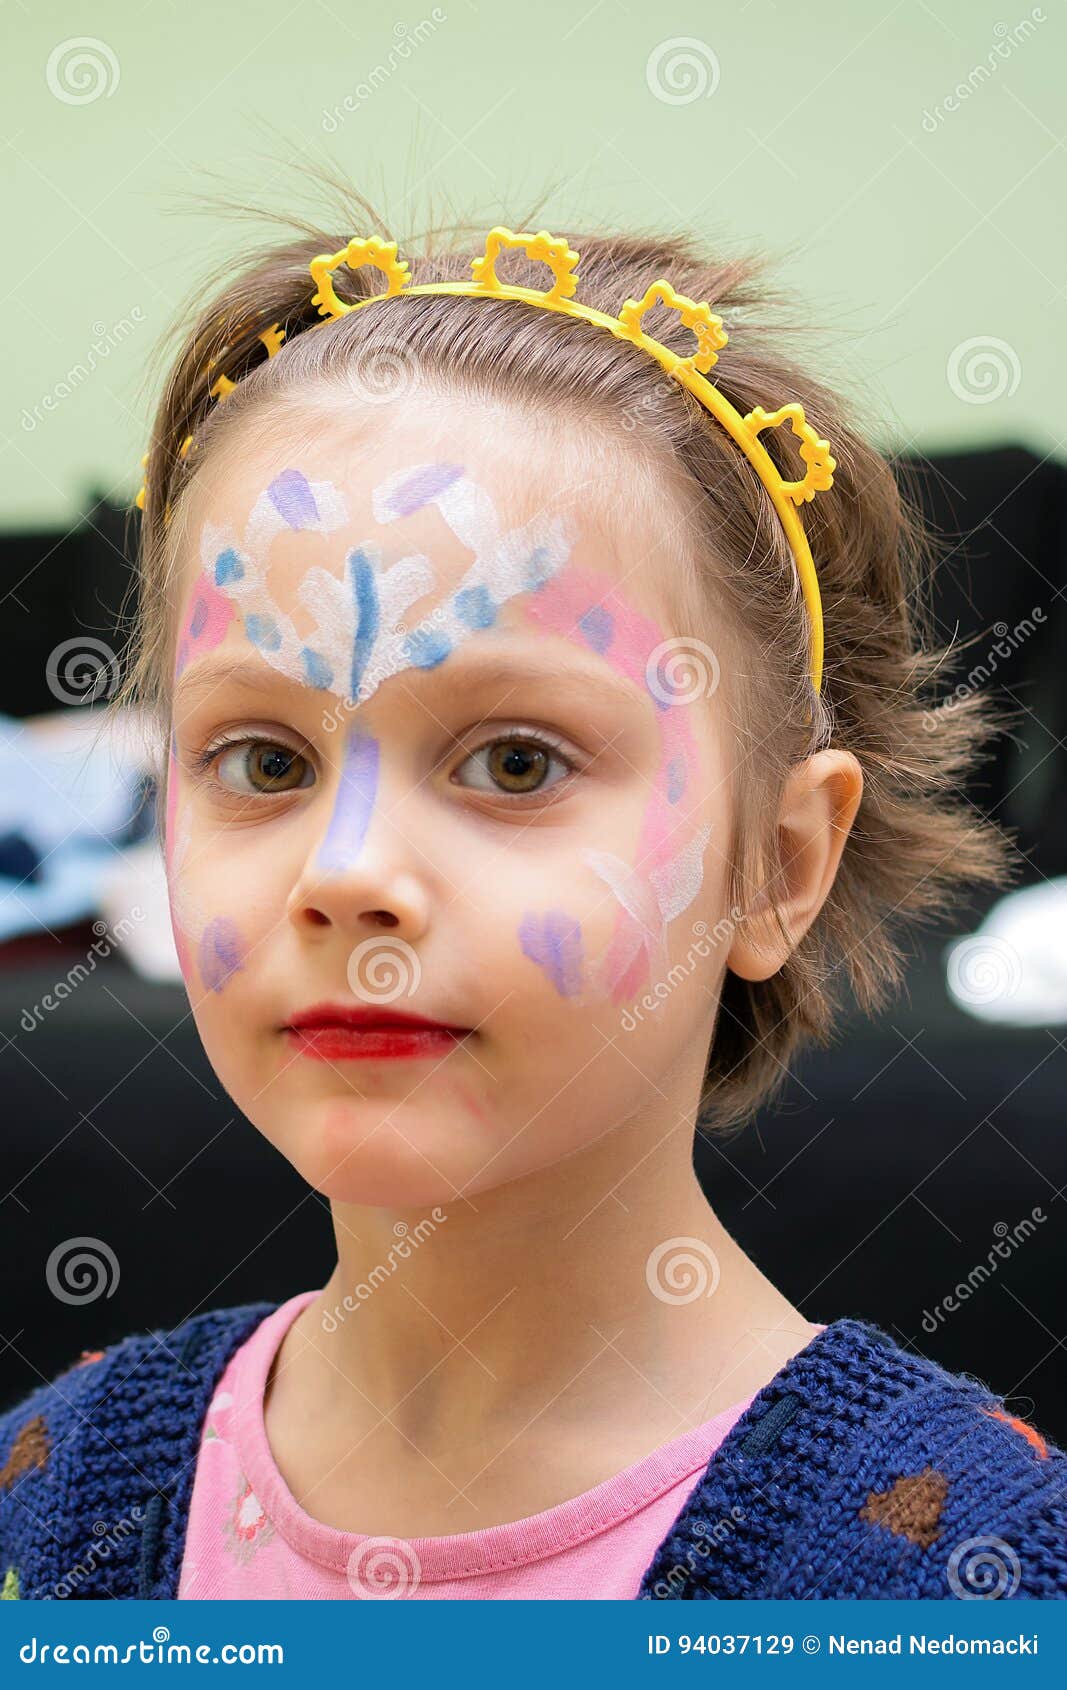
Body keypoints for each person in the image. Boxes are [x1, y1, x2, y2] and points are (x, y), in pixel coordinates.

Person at [2, 202, 1063, 1602]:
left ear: (782, 862)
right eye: (265, 760)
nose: (346, 872)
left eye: (514, 761)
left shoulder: (959, 1571)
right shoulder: (53, 1493)